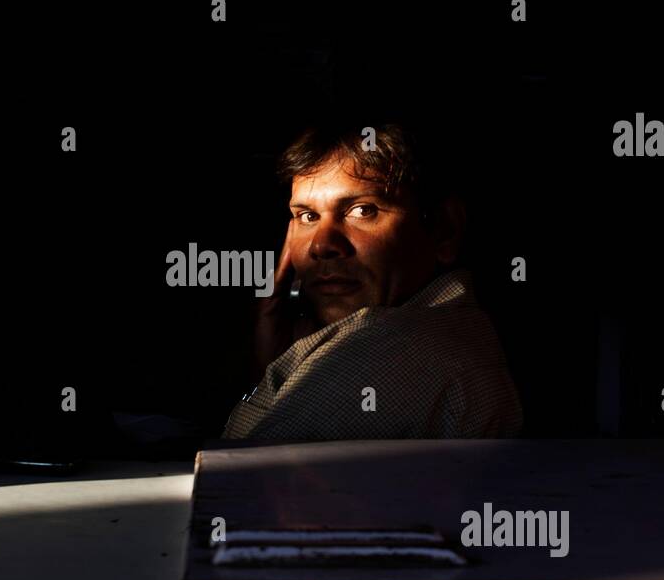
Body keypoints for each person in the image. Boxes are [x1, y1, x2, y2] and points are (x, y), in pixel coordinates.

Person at [222, 121, 523, 441]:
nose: (321, 245)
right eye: (308, 216)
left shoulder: (389, 350)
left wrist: (262, 374)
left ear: (444, 229)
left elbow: (238, 472)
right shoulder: (456, 329)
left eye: (362, 210)